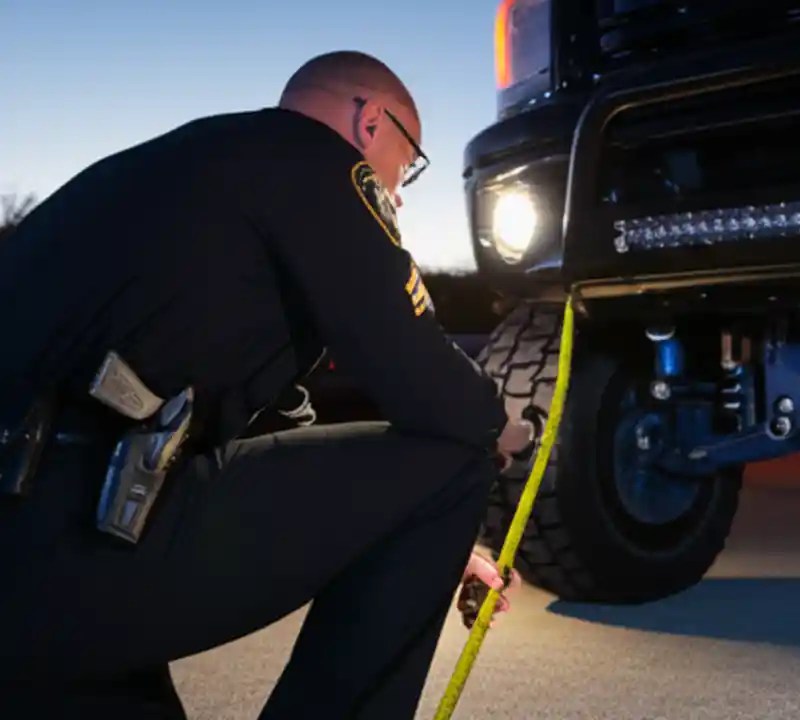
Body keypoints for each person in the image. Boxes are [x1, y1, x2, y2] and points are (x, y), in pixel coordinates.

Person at [0, 50, 533, 719]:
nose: (399, 191)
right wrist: (497, 425)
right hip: (72, 525)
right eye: (409, 161)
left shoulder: (179, 176)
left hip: (34, 543)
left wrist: (403, 525)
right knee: (455, 459)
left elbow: (279, 433)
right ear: (371, 121)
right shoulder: (314, 159)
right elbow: (419, 373)